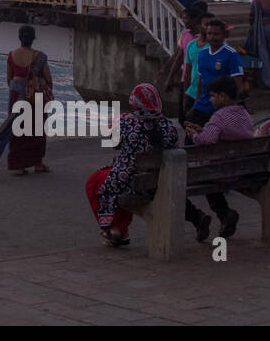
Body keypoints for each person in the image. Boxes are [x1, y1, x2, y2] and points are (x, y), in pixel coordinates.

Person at [85, 83, 178, 247]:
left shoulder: (126, 122)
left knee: (96, 182)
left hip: (132, 180)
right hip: (161, 179)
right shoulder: (168, 125)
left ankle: (114, 230)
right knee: (116, 179)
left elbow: (115, 145)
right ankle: (118, 230)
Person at [182, 75, 251, 241]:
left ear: (223, 97)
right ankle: (224, 214)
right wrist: (204, 129)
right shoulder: (244, 114)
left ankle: (209, 215)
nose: (210, 99)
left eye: (212, 95)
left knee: (199, 173)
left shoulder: (219, 117)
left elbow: (206, 140)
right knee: (207, 174)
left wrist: (194, 136)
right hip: (244, 168)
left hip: (220, 171)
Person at [5, 25, 52, 175]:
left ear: (20, 38)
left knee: (18, 129)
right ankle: (37, 164)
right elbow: (49, 79)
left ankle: (19, 166)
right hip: (36, 94)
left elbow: (8, 78)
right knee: (37, 129)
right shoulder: (40, 56)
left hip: (17, 94)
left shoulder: (12, 55)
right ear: (33, 39)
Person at [187, 18, 244, 136]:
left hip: (220, 109)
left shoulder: (231, 54)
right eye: (209, 33)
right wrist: (196, 103)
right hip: (201, 107)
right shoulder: (202, 54)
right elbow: (201, 80)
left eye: (216, 34)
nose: (212, 37)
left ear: (224, 35)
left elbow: (237, 82)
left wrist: (231, 106)